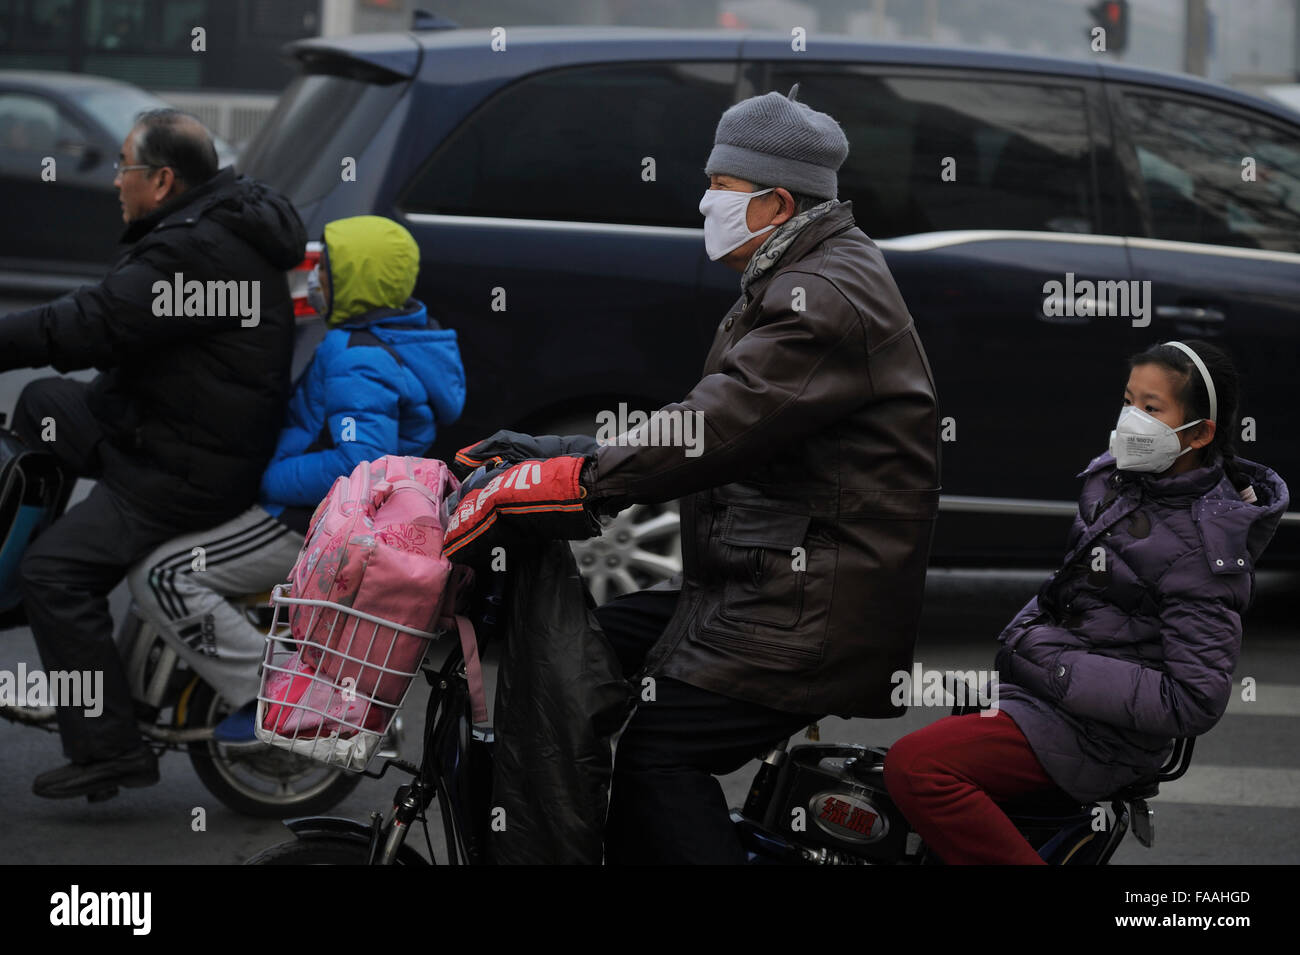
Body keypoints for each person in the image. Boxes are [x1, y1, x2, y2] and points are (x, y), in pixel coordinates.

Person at [445, 85, 941, 863]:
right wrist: (551, 451)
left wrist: (579, 479)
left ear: (778, 202)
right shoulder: (793, 271)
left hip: (810, 602)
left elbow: (709, 431)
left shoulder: (822, 298)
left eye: (722, 188)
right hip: (757, 575)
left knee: (656, 759)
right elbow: (708, 414)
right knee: (588, 643)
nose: (704, 202)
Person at [882, 340, 1289, 864]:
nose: (1131, 420)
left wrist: (1058, 668)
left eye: (1151, 409)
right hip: (1046, 700)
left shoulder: (1202, 546)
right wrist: (1029, 638)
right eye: (1128, 401)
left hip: (1100, 736)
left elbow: (1194, 698)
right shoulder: (1121, 483)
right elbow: (1071, 593)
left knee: (918, 768)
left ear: (1200, 433)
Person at [0, 108, 306, 799]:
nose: (115, 182)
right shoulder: (215, 221)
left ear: (163, 180)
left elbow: (93, 322)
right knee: (45, 402)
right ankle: (20, 585)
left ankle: (110, 747)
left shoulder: (193, 250)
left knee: (57, 572)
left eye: (124, 170)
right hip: (165, 427)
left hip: (183, 470)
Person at [126, 215, 466, 741]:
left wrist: (271, 477)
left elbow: (361, 463)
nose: (316, 280)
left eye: (326, 270)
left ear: (357, 279)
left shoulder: (359, 357)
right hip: (313, 511)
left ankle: (275, 691)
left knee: (164, 576)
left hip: (304, 518)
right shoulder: (394, 336)